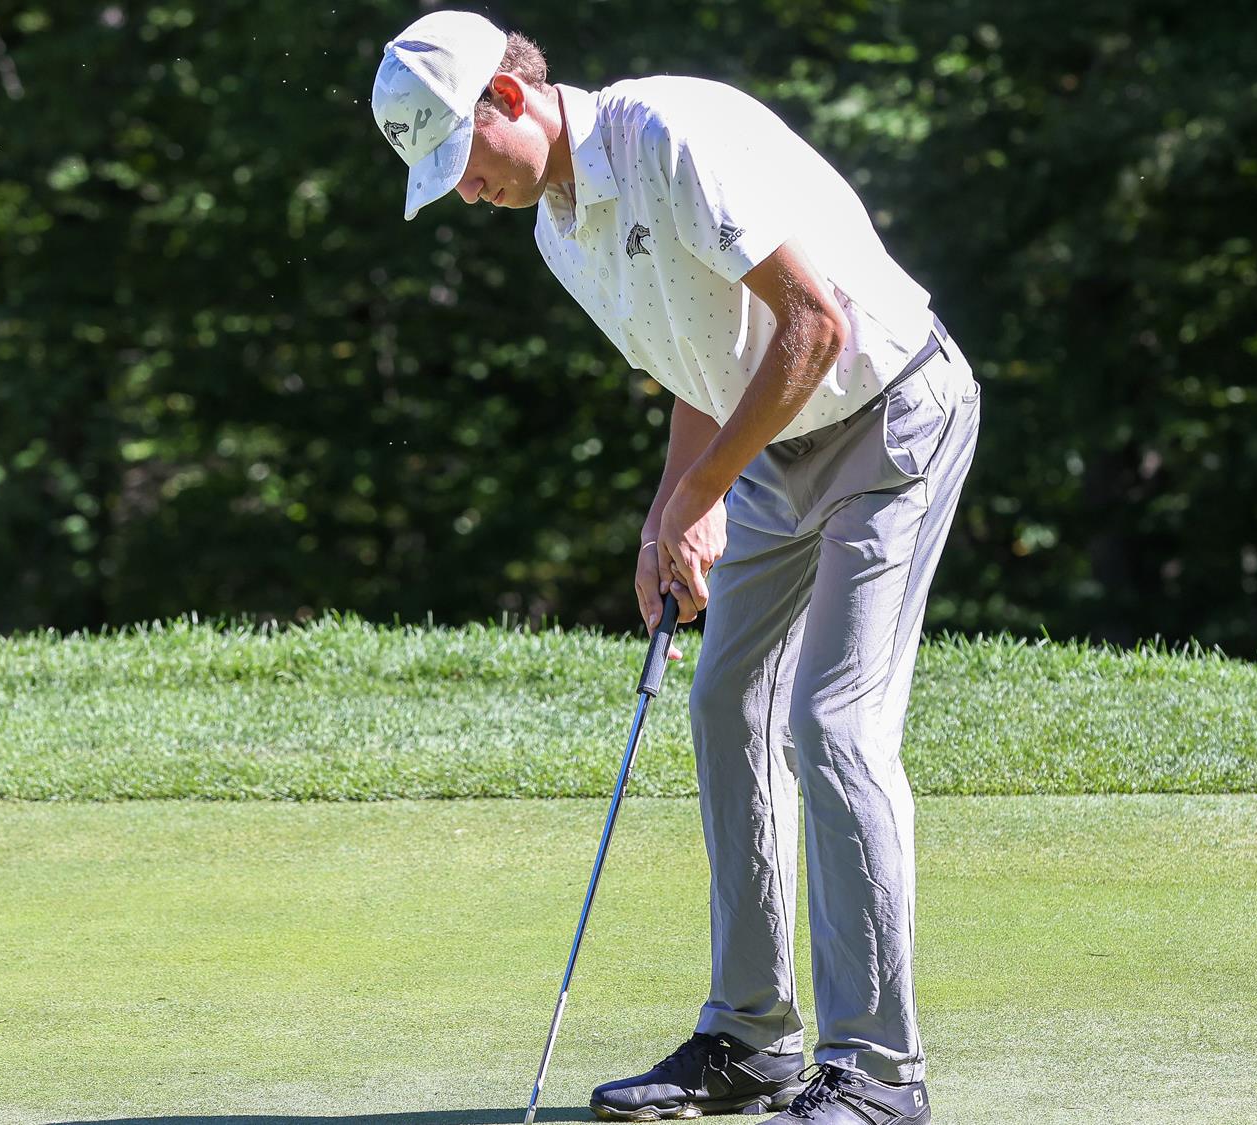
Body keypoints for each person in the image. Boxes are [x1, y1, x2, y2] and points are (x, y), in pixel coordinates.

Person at [371, 12, 980, 1125]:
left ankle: (879, 1072)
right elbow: (702, 365)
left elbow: (815, 327)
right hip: (775, 445)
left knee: (833, 724)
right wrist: (667, 513)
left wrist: (704, 495)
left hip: (891, 416)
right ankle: (751, 1039)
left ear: (507, 97)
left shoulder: (662, 134)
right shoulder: (560, 231)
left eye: (461, 158)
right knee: (723, 701)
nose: (463, 193)